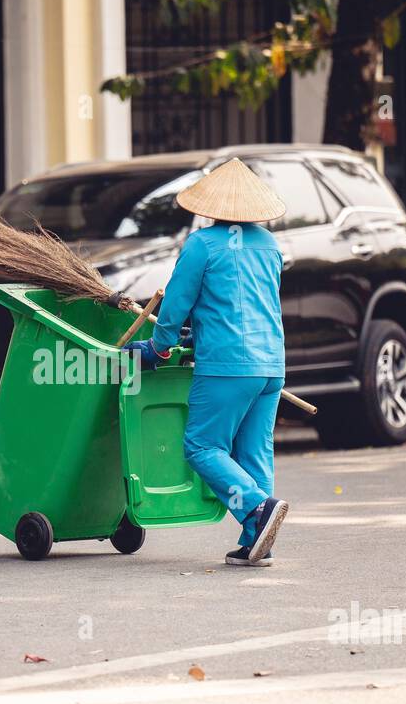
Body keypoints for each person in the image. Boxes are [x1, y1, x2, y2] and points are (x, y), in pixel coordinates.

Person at [124, 158, 289, 567]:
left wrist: (159, 347)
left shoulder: (202, 244)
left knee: (202, 446)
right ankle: (257, 538)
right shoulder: (269, 245)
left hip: (227, 365)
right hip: (271, 364)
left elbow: (176, 304)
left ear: (209, 205)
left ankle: (256, 508)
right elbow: (252, 302)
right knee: (253, 453)